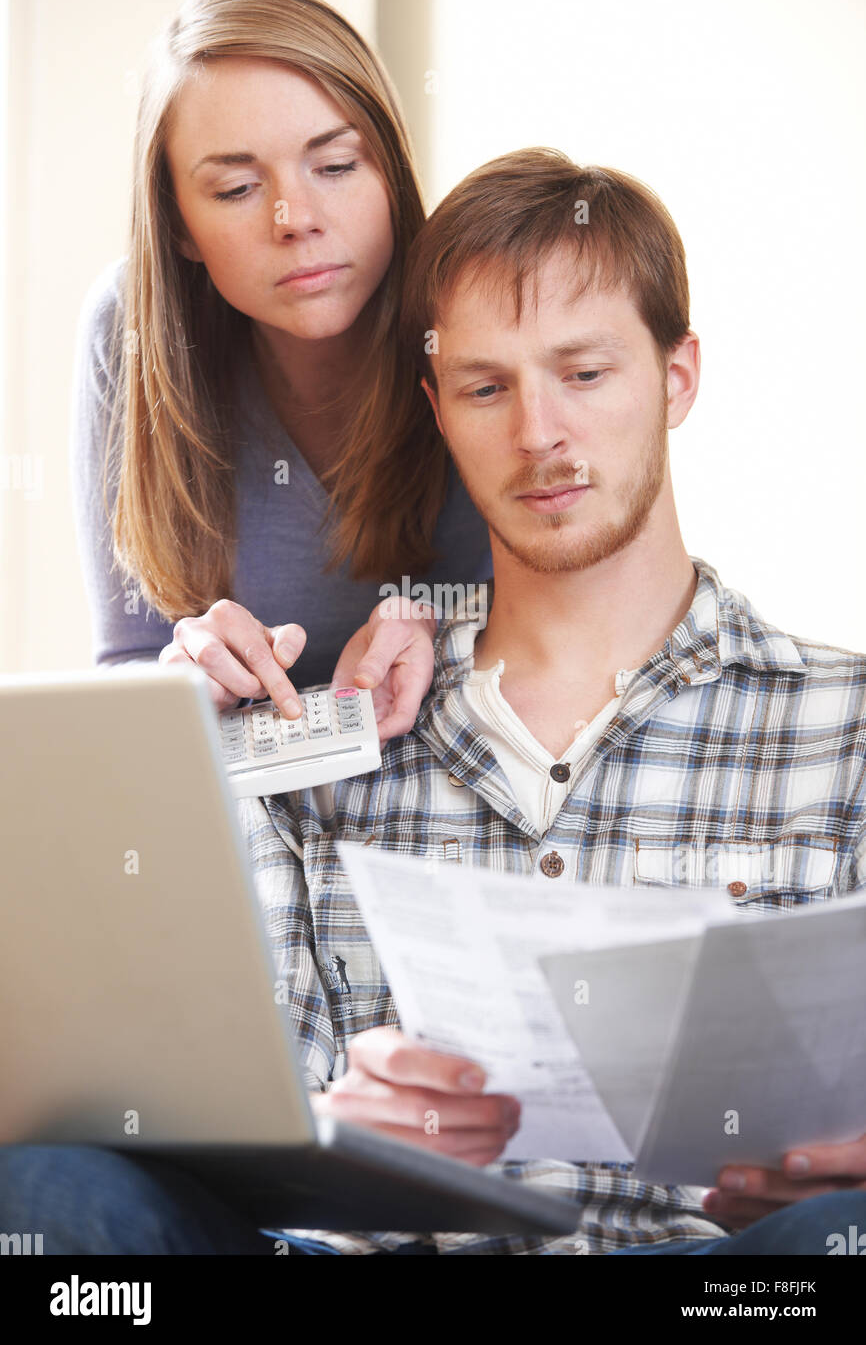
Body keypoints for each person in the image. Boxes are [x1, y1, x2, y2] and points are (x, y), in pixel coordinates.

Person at [7, 147, 864, 1254]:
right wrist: (338, 1125)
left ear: (676, 376)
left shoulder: (839, 727)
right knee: (49, 1191)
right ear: (437, 409)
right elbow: (243, 1143)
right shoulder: (323, 742)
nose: (537, 433)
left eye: (584, 373)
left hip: (720, 1272)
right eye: (484, 386)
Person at [70, 0, 491, 740]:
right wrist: (180, 680)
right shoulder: (125, 331)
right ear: (180, 229)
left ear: (391, 174)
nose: (295, 220)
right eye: (235, 188)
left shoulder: (480, 310)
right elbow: (126, 666)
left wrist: (446, 632)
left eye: (334, 167)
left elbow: (585, 619)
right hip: (250, 831)